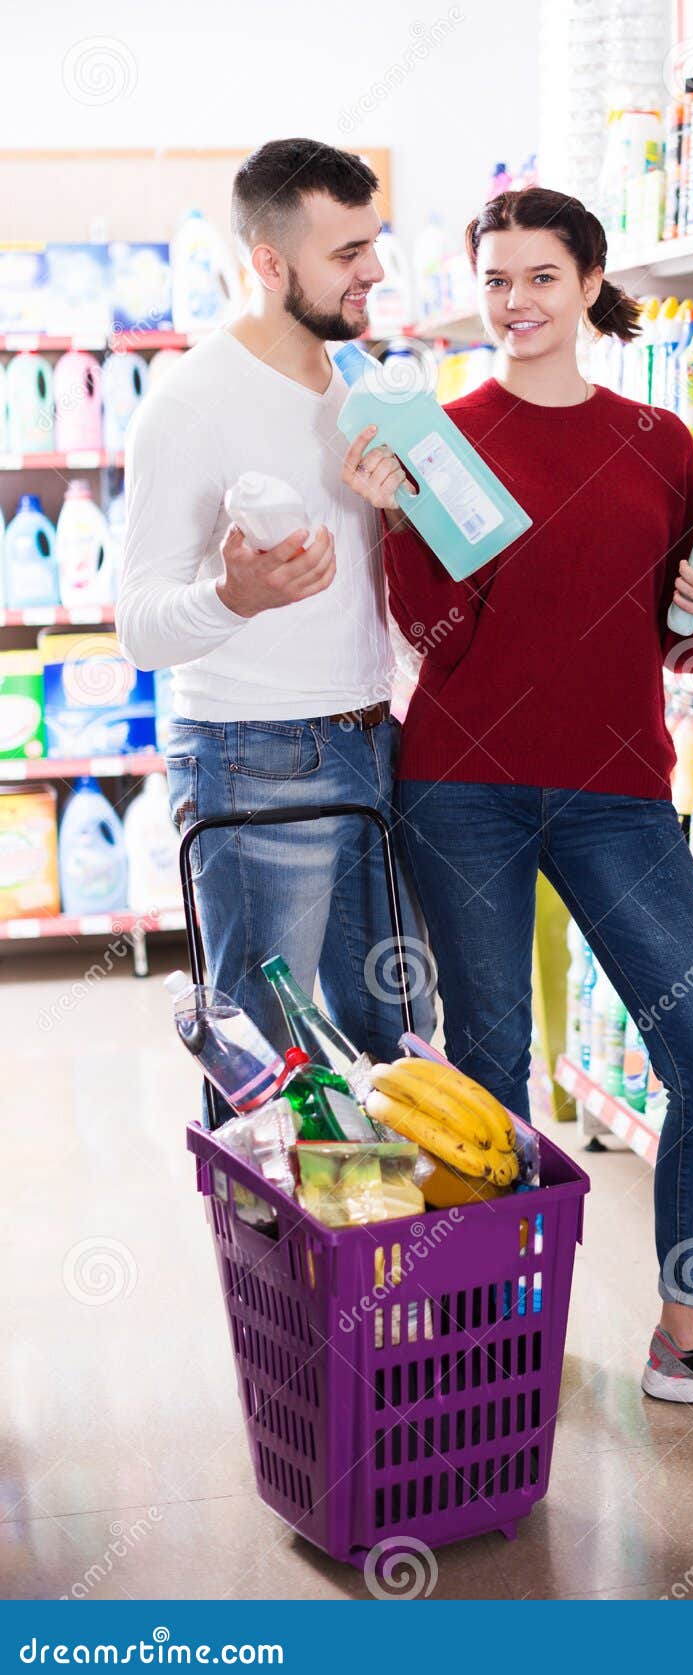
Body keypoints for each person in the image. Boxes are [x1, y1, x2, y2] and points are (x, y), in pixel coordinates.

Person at [341, 186, 693, 1418]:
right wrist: (397, 516)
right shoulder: (441, 436)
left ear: (589, 280)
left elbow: (690, 642)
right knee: (490, 1074)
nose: (516, 304)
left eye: (541, 277)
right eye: (496, 280)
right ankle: (493, 1337)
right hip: (462, 786)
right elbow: (428, 637)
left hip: (619, 791)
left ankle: (690, 1335)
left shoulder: (657, 440)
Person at [117, 137, 433, 1096]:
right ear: (267, 263)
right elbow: (137, 625)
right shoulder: (190, 405)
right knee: (265, 1060)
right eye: (347, 254)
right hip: (254, 757)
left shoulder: (360, 387)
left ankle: (378, 1247)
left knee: (401, 1040)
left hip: (372, 740)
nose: (374, 269)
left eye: (373, 243)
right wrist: (233, 596)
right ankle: (263, 1248)